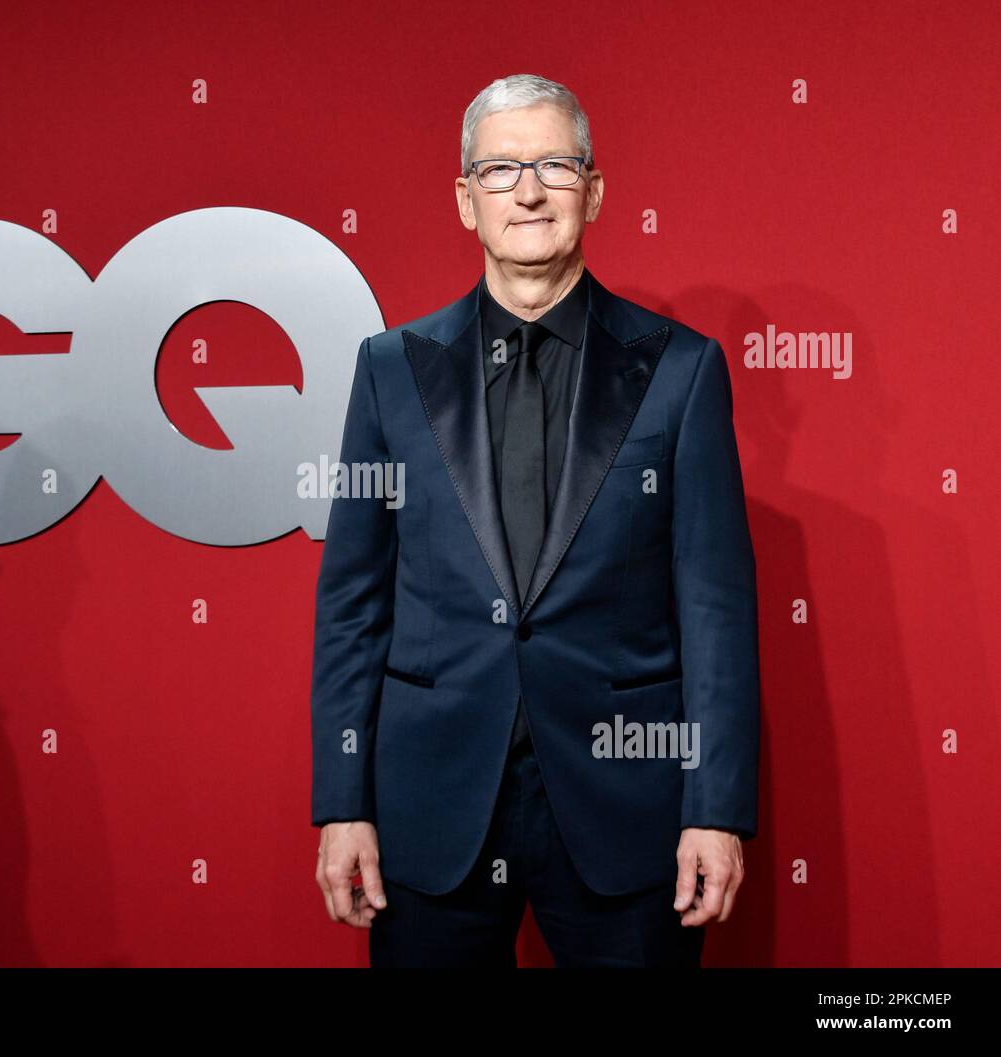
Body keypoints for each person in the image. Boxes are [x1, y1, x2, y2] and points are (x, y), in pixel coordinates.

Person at [310, 73, 759, 967]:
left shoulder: (681, 372)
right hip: (430, 810)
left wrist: (715, 807)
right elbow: (353, 603)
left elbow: (713, 607)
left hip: (626, 812)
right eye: (500, 169)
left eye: (554, 164)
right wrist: (342, 801)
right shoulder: (388, 370)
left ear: (593, 190)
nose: (527, 190)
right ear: (465, 199)